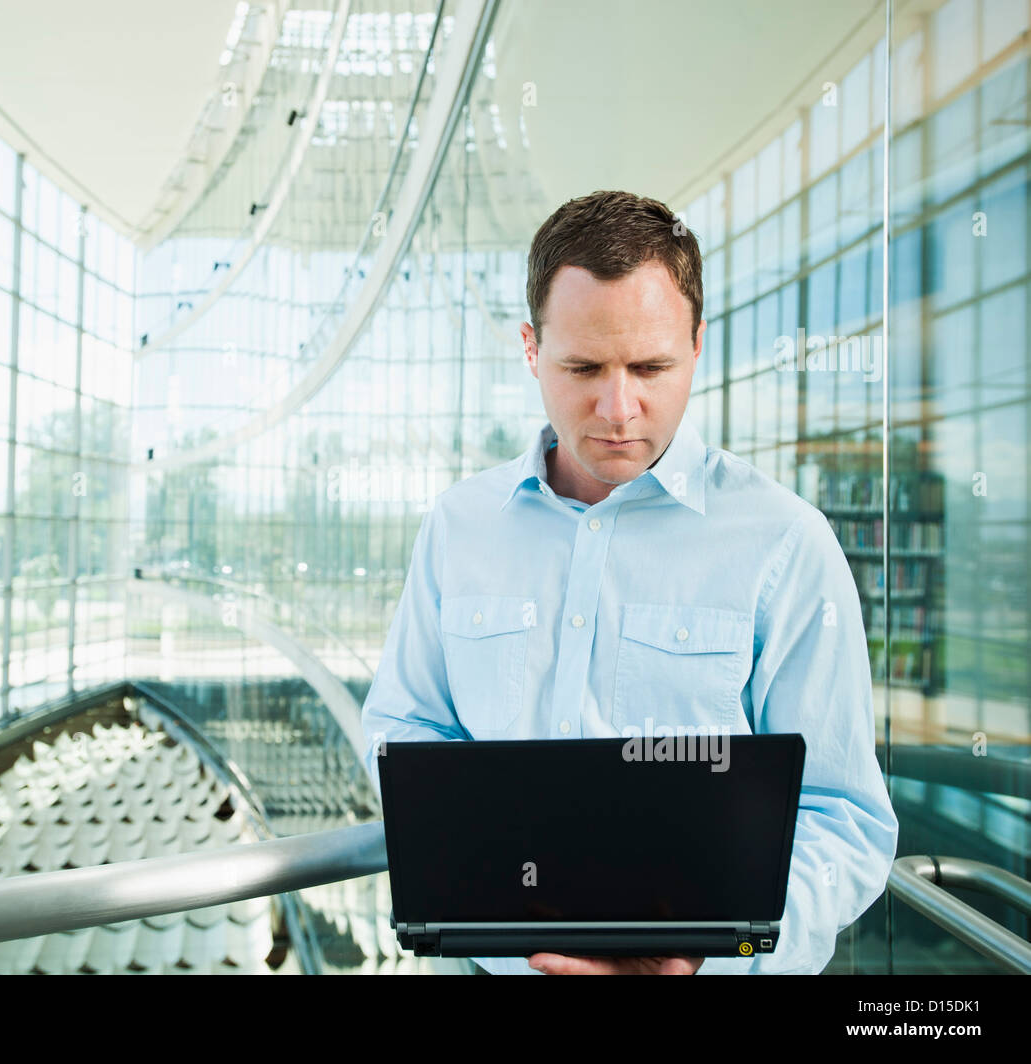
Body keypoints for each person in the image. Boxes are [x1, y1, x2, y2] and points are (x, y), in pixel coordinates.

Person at [359, 189, 899, 975]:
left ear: (698, 346)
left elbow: (842, 816)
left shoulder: (786, 543)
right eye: (583, 367)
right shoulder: (458, 526)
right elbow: (405, 727)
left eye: (651, 367)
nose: (619, 409)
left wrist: (710, 961)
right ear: (531, 349)